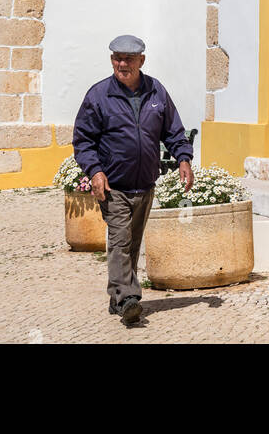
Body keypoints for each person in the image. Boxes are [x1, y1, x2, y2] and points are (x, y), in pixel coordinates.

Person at [72, 34, 194, 325]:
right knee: (120, 241)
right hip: (113, 185)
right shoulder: (98, 95)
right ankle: (129, 298)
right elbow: (83, 140)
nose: (122, 63)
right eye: (116, 57)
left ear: (142, 60)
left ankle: (117, 299)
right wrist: (95, 171)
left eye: (128, 58)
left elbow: (173, 131)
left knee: (132, 243)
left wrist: (183, 158)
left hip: (145, 184)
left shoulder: (156, 92)